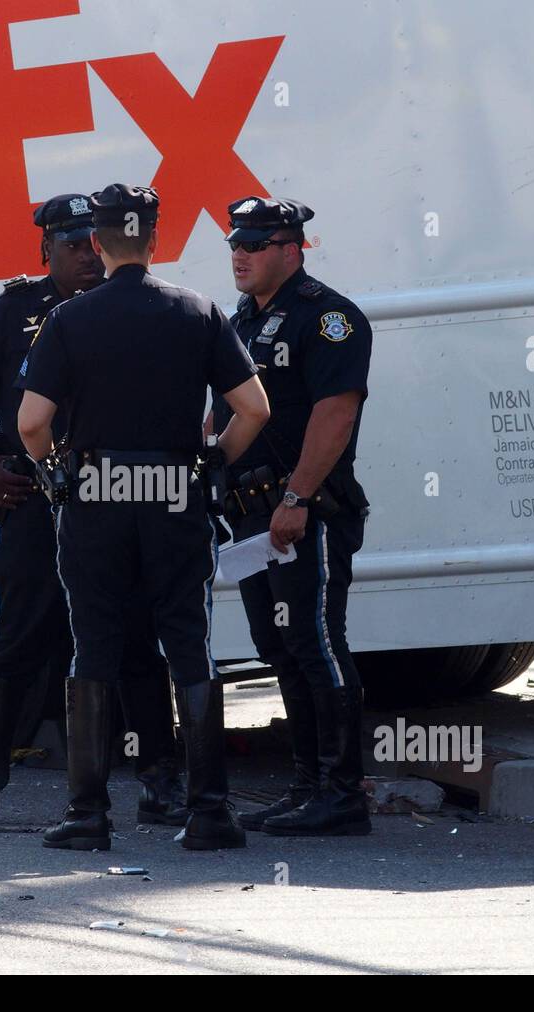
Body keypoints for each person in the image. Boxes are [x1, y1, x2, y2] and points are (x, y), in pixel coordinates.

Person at [18, 184, 270, 851]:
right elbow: (255, 408)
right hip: (176, 498)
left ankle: (88, 814)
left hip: (97, 501)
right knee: (189, 645)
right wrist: (215, 461)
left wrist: (54, 474)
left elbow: (31, 421)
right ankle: (210, 810)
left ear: (97, 243)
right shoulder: (199, 311)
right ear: (154, 239)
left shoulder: (71, 320)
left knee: (94, 648)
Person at [0, 193, 186, 833]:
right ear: (44, 249)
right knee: (18, 636)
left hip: (110, 497)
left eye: (91, 242)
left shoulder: (124, 308)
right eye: (71, 244)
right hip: (33, 499)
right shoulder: (9, 313)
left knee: (134, 636)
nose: (85, 253)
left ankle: (161, 782)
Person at [211, 195, 373, 836]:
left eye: (254, 244)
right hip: (253, 515)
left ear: (291, 247)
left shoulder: (328, 318)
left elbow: (336, 414)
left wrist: (297, 498)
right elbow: (224, 410)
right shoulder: (240, 320)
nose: (240, 255)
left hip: (304, 512)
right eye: (234, 244)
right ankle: (308, 785)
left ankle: (342, 793)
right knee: (278, 645)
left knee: (317, 643)